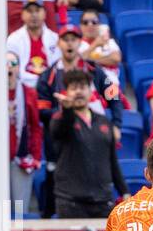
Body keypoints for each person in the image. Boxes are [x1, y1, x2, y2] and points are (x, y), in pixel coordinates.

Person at [49, 69, 127, 218]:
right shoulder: (60, 118)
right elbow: (59, 131)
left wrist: (124, 192)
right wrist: (67, 110)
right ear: (66, 92)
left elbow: (112, 161)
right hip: (70, 202)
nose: (78, 91)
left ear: (91, 91)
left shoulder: (104, 121)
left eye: (82, 87)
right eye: (73, 88)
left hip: (103, 201)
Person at [8, 52, 44, 212]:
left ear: (19, 68)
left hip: (21, 157)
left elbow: (35, 126)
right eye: (4, 63)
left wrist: (35, 156)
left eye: (13, 63)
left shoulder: (28, 92)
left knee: (20, 210)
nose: (8, 67)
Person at [6, 0, 61, 90]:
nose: (34, 15)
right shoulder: (13, 39)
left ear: (44, 14)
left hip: (50, 87)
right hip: (23, 86)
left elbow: (58, 67)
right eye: (29, 11)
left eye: (37, 10)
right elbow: (12, 68)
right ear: (22, 15)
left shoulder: (55, 38)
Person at [79, 11, 122, 87]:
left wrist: (90, 60)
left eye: (94, 22)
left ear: (99, 24)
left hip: (111, 86)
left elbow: (116, 59)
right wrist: (95, 44)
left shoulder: (109, 42)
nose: (90, 25)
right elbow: (79, 61)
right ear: (80, 26)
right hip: (90, 87)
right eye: (85, 22)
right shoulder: (77, 44)